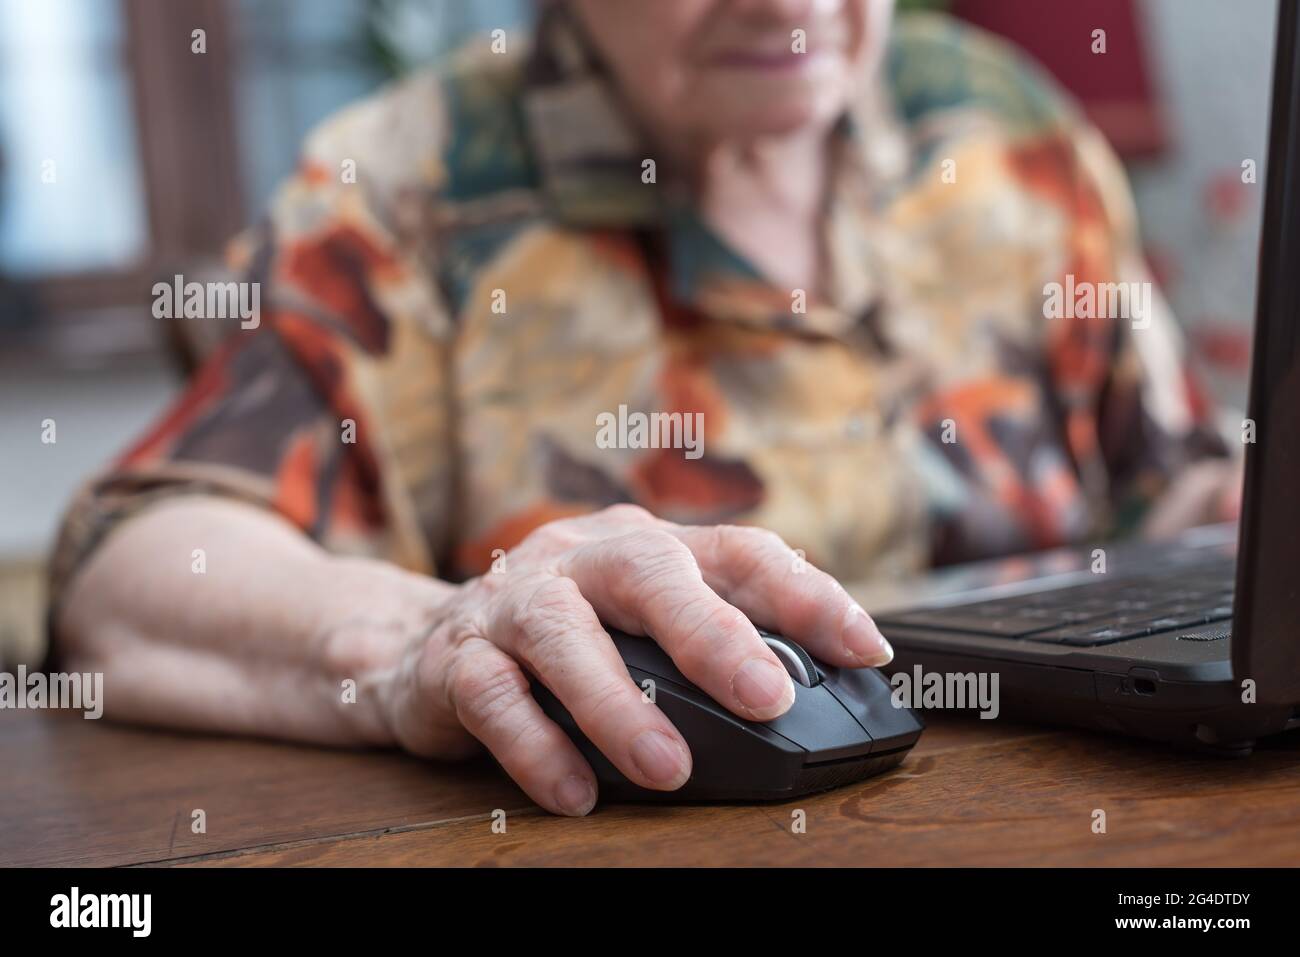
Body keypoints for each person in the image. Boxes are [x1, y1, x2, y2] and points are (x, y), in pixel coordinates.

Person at [49, 0, 1238, 816]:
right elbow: (136, 564)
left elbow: (1165, 478)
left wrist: (1242, 513)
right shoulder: (408, 183)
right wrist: (426, 640)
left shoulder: (999, 123)